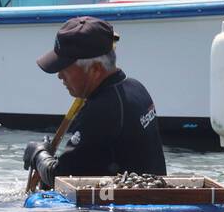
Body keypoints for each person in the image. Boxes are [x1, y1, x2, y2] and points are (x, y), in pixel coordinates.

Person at [22, 16, 167, 188]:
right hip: (147, 196)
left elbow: (62, 177)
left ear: (96, 69)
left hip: (123, 209)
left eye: (65, 68)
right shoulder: (136, 88)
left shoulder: (102, 110)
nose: (60, 75)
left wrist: (39, 155)